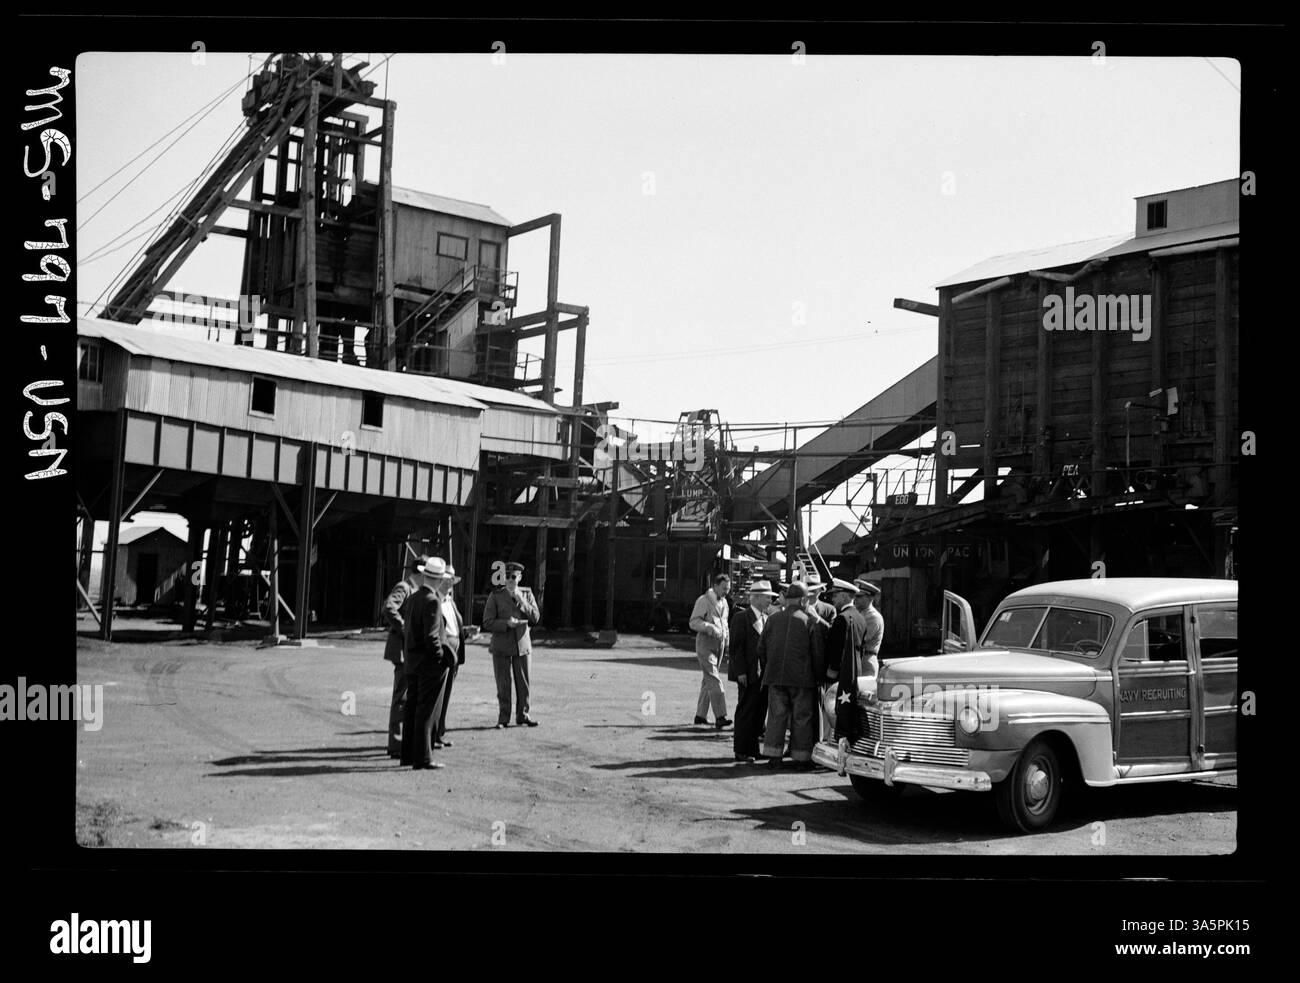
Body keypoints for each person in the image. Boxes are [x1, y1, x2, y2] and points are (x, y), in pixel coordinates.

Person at [758, 582, 824, 770]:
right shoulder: (809, 621)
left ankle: (773, 755)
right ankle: (801, 757)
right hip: (802, 680)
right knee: (802, 717)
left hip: (776, 676)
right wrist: (818, 677)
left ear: (787, 599)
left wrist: (769, 666)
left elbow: (761, 648)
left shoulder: (772, 619)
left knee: (776, 716)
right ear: (804, 600)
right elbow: (817, 653)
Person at [400, 556, 458, 770]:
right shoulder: (432, 600)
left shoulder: (415, 597)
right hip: (428, 664)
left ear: (425, 575)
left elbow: (411, 631)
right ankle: (423, 757)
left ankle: (407, 754)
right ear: (439, 579)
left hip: (413, 661)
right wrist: (440, 659)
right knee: (426, 711)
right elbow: (432, 636)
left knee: (412, 708)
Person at [482, 561, 541, 727]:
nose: (509, 580)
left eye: (513, 577)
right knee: (503, 684)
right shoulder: (496, 596)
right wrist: (506, 624)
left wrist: (520, 599)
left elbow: (536, 617)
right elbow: (487, 622)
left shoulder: (527, 594)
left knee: (523, 684)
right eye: (506, 577)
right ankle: (503, 718)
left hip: (522, 646)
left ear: (519, 577)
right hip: (501, 646)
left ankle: (523, 714)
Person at [727, 579, 777, 762]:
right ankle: (741, 750)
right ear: (754, 598)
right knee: (746, 712)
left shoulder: (766, 618)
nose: (769, 601)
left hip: (762, 676)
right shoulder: (741, 618)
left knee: (758, 713)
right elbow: (735, 648)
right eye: (766, 597)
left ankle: (753, 748)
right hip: (748, 675)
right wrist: (740, 672)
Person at [381, 557, 422, 758]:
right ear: (421, 572)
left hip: (410, 651)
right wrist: (406, 629)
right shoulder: (404, 587)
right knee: (401, 698)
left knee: (407, 698)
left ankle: (403, 741)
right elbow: (389, 607)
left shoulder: (413, 589)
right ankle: (396, 744)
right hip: (403, 652)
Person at [821, 578, 867, 742]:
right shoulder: (860, 618)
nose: (832, 599)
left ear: (846, 596)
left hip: (840, 673)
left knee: (834, 709)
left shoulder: (841, 618)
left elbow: (837, 648)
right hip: (856, 671)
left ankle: (833, 741)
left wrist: (832, 670)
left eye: (836, 596)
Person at [429, 563, 466, 750]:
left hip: (454, 652)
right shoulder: (435, 600)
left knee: (446, 694)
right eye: (447, 579)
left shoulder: (449, 601)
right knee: (438, 695)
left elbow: (455, 625)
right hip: (443, 651)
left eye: (452, 580)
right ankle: (432, 735)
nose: (450, 583)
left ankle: (439, 733)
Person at [688, 573, 732, 729]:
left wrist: (727, 643)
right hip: (705, 645)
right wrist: (709, 627)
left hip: (718, 646)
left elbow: (725, 625)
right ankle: (720, 716)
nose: (727, 591)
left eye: (728, 588)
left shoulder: (724, 603)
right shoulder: (704, 601)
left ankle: (700, 716)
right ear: (715, 586)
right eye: (724, 588)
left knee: (708, 680)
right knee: (714, 679)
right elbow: (693, 622)